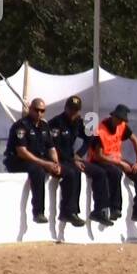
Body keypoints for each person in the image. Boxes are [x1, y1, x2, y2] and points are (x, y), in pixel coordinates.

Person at [83, 104, 137, 225]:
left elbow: (135, 140)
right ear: (113, 116)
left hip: (117, 159)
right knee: (115, 172)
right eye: (119, 119)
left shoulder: (121, 126)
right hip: (100, 160)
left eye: (122, 120)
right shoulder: (100, 130)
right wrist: (120, 163)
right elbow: (98, 155)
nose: (120, 122)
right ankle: (115, 208)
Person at [3, 97, 62, 224]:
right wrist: (46, 163)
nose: (39, 113)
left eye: (42, 111)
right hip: (17, 160)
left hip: (36, 160)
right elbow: (22, 152)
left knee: (67, 171)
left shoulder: (44, 126)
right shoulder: (21, 126)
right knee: (38, 171)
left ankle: (68, 212)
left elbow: (51, 147)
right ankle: (38, 212)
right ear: (30, 109)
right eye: (36, 110)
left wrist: (55, 163)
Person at [46, 95, 89, 227]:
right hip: (55, 157)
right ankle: (66, 212)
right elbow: (55, 147)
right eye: (71, 109)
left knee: (80, 171)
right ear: (65, 108)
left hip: (70, 158)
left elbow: (90, 139)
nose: (73, 113)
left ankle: (74, 211)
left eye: (76, 110)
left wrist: (79, 155)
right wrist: (73, 159)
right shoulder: (56, 123)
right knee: (71, 173)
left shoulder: (79, 122)